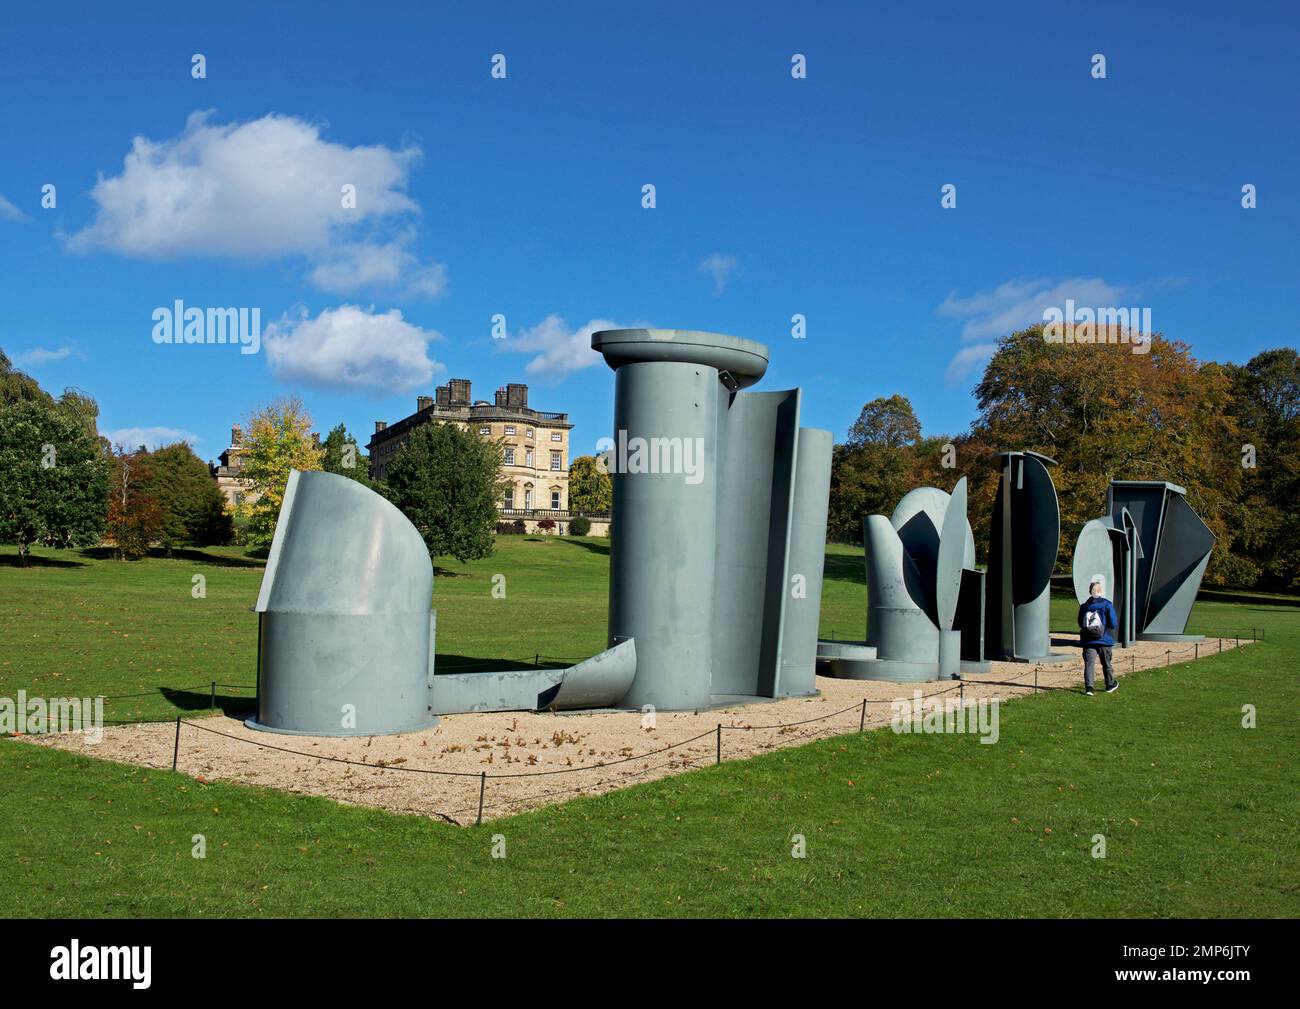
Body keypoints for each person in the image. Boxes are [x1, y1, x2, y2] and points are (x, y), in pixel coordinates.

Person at [1078, 580, 1119, 696]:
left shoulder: (1084, 606)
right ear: (1100, 591)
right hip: (1103, 639)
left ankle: (1089, 688)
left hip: (1088, 640)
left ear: (1089, 591)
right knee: (1106, 663)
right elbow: (1113, 623)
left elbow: (1081, 623)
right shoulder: (1107, 604)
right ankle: (1110, 684)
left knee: (1089, 665)